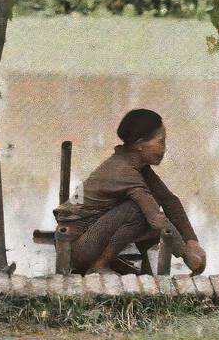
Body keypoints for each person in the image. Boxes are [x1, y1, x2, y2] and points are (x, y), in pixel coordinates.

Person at [55, 109, 207, 275]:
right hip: (73, 247)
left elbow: (169, 200)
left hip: (86, 238)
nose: (164, 149)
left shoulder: (134, 163)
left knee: (151, 208)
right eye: (161, 142)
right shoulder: (124, 171)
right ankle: (99, 265)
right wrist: (186, 255)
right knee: (141, 211)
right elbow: (157, 219)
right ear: (140, 144)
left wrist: (192, 241)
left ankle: (108, 261)